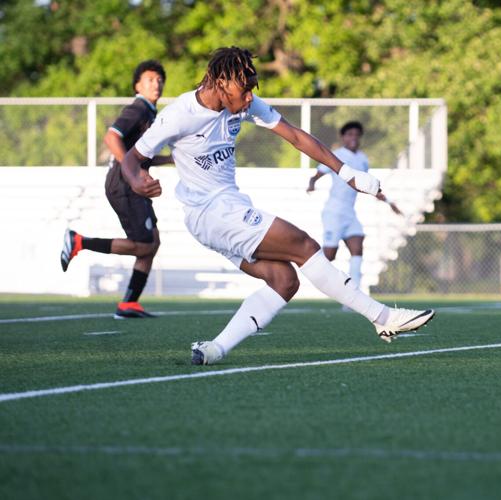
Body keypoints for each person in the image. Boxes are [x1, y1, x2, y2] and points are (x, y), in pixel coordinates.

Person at [120, 47, 435, 365]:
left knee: (285, 281)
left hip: (223, 210)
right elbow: (131, 158)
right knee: (304, 244)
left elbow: (296, 136)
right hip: (211, 212)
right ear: (220, 81)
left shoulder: (243, 104)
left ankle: (214, 349)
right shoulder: (179, 114)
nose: (248, 99)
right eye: (243, 91)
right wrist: (137, 182)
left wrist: (347, 172)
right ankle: (381, 317)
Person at [60, 60, 172, 318]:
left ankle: (129, 304)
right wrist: (132, 172)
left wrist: (171, 159)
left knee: (152, 242)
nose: (156, 84)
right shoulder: (138, 108)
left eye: (159, 79)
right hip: (124, 182)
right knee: (144, 246)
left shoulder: (151, 113)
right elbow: (112, 138)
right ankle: (79, 242)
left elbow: (141, 154)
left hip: (130, 181)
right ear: (137, 85)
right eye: (150, 79)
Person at [306, 121, 401, 297]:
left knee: (357, 249)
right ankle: (308, 275)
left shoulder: (363, 159)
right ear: (343, 137)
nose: (353, 138)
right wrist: (311, 184)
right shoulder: (336, 155)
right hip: (334, 212)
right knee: (329, 255)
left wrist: (389, 202)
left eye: (357, 135)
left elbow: (368, 186)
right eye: (349, 134)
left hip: (350, 214)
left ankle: (354, 294)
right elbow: (317, 175)